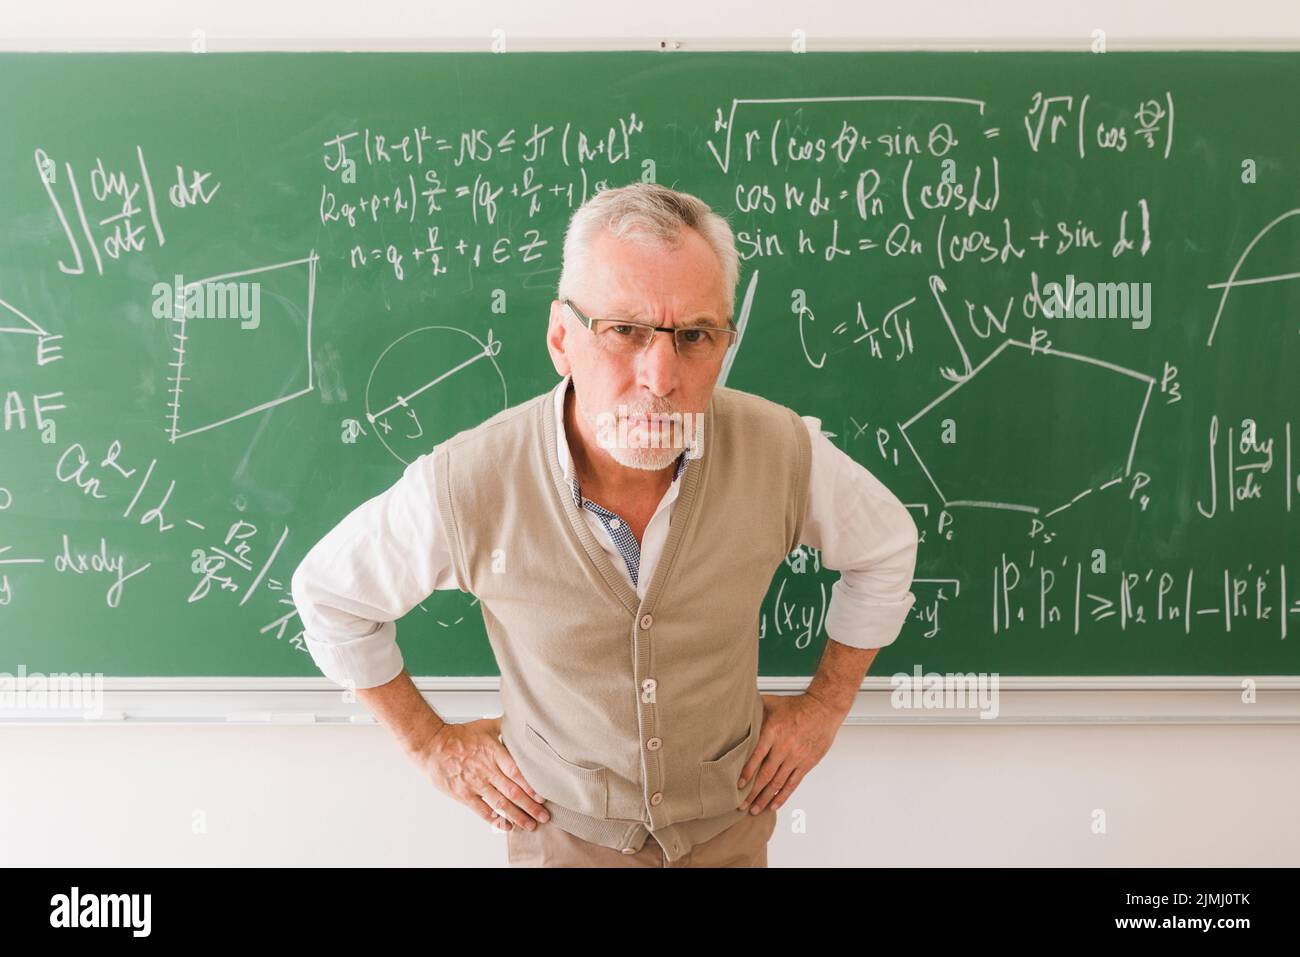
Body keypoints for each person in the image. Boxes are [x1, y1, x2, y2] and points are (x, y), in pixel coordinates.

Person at [291, 181, 919, 867]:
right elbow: (330, 598)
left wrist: (824, 708)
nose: (660, 374)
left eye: (695, 336)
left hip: (730, 837)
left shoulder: (781, 450)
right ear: (562, 337)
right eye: (624, 330)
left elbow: (885, 548)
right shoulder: (473, 478)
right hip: (562, 843)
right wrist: (430, 746)